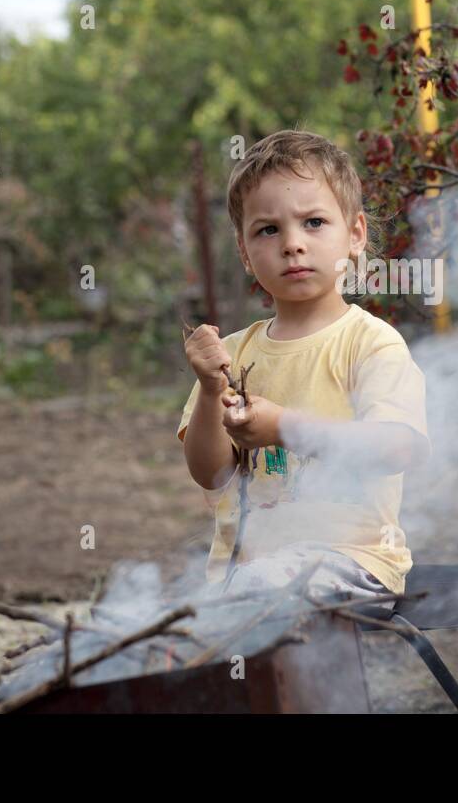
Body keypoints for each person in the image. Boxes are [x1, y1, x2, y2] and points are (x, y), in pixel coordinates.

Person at [178, 129, 431, 603]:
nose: (292, 244)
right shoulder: (235, 353)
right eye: (268, 229)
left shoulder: (371, 344)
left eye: (313, 222)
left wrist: (284, 427)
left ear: (355, 234)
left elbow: (398, 448)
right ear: (244, 252)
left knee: (256, 595)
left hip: (355, 562)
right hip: (246, 574)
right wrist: (211, 391)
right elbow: (211, 475)